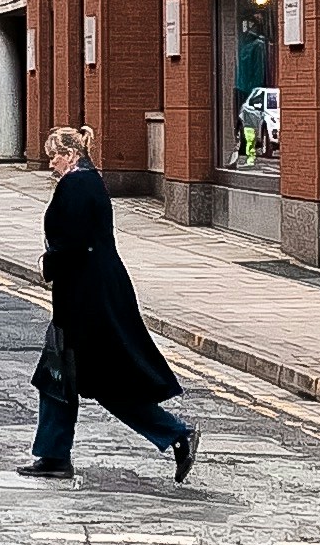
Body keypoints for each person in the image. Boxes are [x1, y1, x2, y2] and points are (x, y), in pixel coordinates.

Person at [23, 122, 196, 484]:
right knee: (58, 376)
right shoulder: (86, 180)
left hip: (88, 300)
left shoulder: (76, 184)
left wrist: (48, 265)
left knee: (98, 382)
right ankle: (54, 456)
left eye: (54, 156)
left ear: (70, 155)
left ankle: (177, 434)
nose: (50, 164)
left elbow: (72, 242)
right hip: (90, 293)